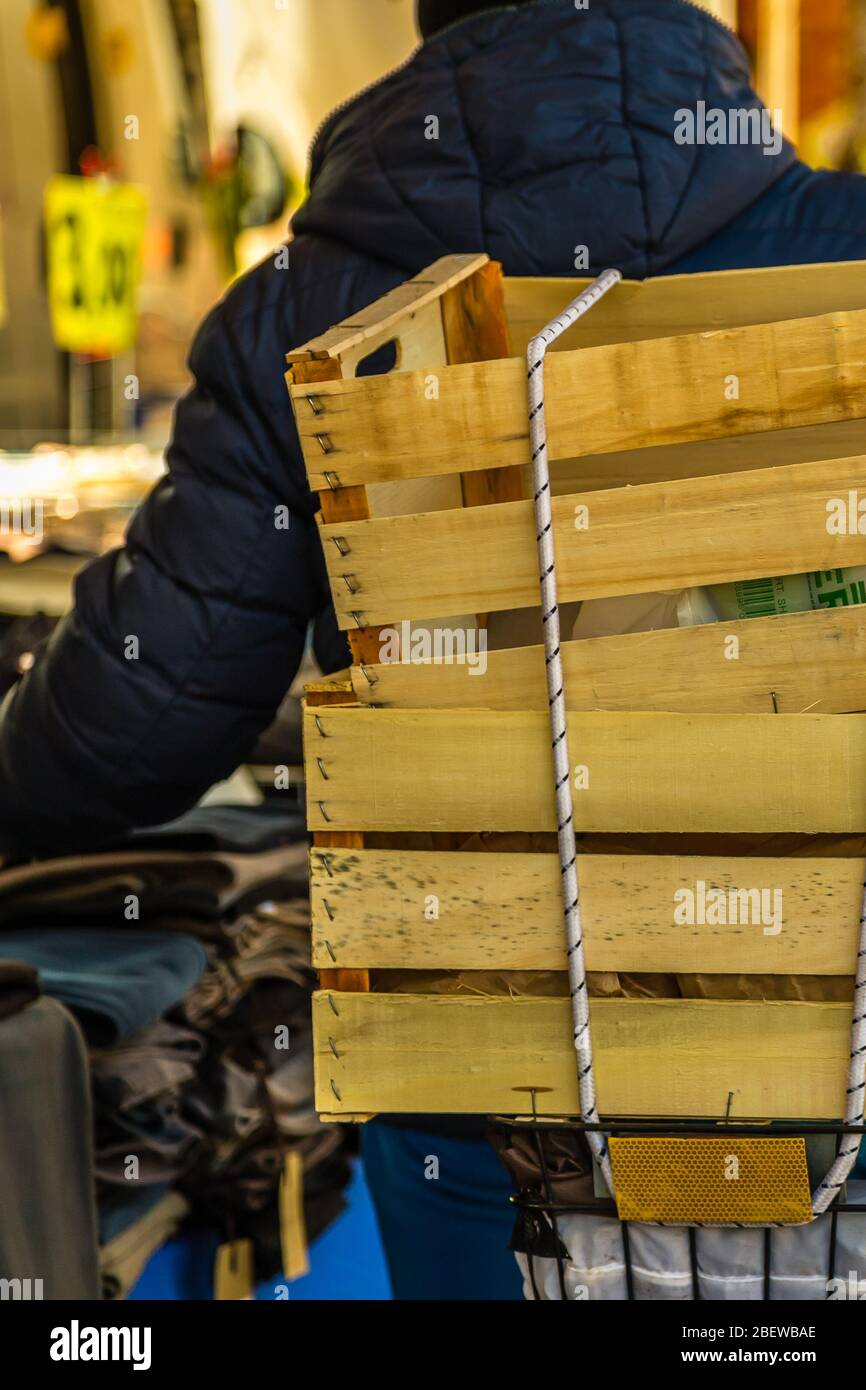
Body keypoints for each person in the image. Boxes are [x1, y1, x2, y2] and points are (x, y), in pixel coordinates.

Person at [5, 0, 866, 1298]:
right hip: (840, 1068)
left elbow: (141, 718)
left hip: (488, 1104)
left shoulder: (301, 310)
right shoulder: (845, 248)